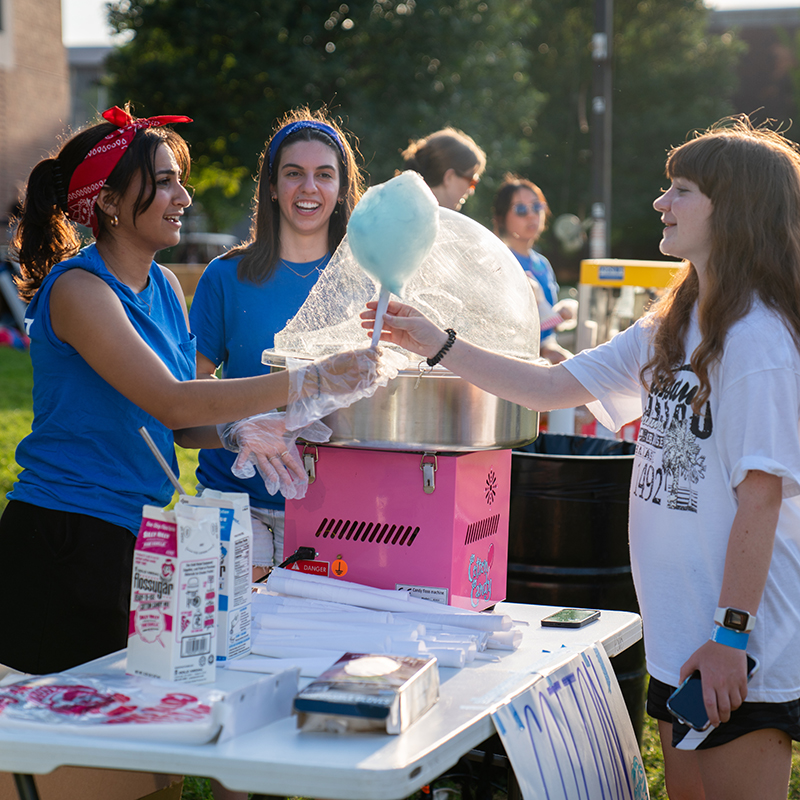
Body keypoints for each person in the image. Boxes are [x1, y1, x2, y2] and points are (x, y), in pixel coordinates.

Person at [363, 117, 800, 800]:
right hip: (677, 634)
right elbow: (547, 384)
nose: (660, 203)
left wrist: (731, 638)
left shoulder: (759, 343)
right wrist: (434, 343)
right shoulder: (673, 324)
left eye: (680, 190)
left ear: (734, 210)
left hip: (735, 644)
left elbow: (763, 497)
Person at [0, 105, 388, 679]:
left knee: (137, 723)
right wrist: (310, 381)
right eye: (162, 182)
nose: (184, 196)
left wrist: (237, 431)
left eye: (179, 179)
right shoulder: (80, 290)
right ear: (107, 202)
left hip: (137, 531)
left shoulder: (161, 284)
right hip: (66, 534)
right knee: (55, 742)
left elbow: (181, 425)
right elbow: (173, 399)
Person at [189, 107, 365, 579]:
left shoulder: (371, 286)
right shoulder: (225, 277)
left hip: (343, 515)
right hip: (232, 504)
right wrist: (238, 429)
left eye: (324, 175)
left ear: (342, 189)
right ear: (271, 186)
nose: (309, 188)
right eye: (294, 174)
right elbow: (182, 412)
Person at [492, 173, 575, 364]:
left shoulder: (542, 264)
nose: (531, 214)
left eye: (537, 207)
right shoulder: (496, 261)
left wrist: (560, 315)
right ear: (502, 217)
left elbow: (544, 329)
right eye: (521, 209)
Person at [400, 127, 486, 211]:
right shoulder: (419, 221)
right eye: (471, 181)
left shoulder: (400, 205)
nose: (471, 191)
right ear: (449, 177)